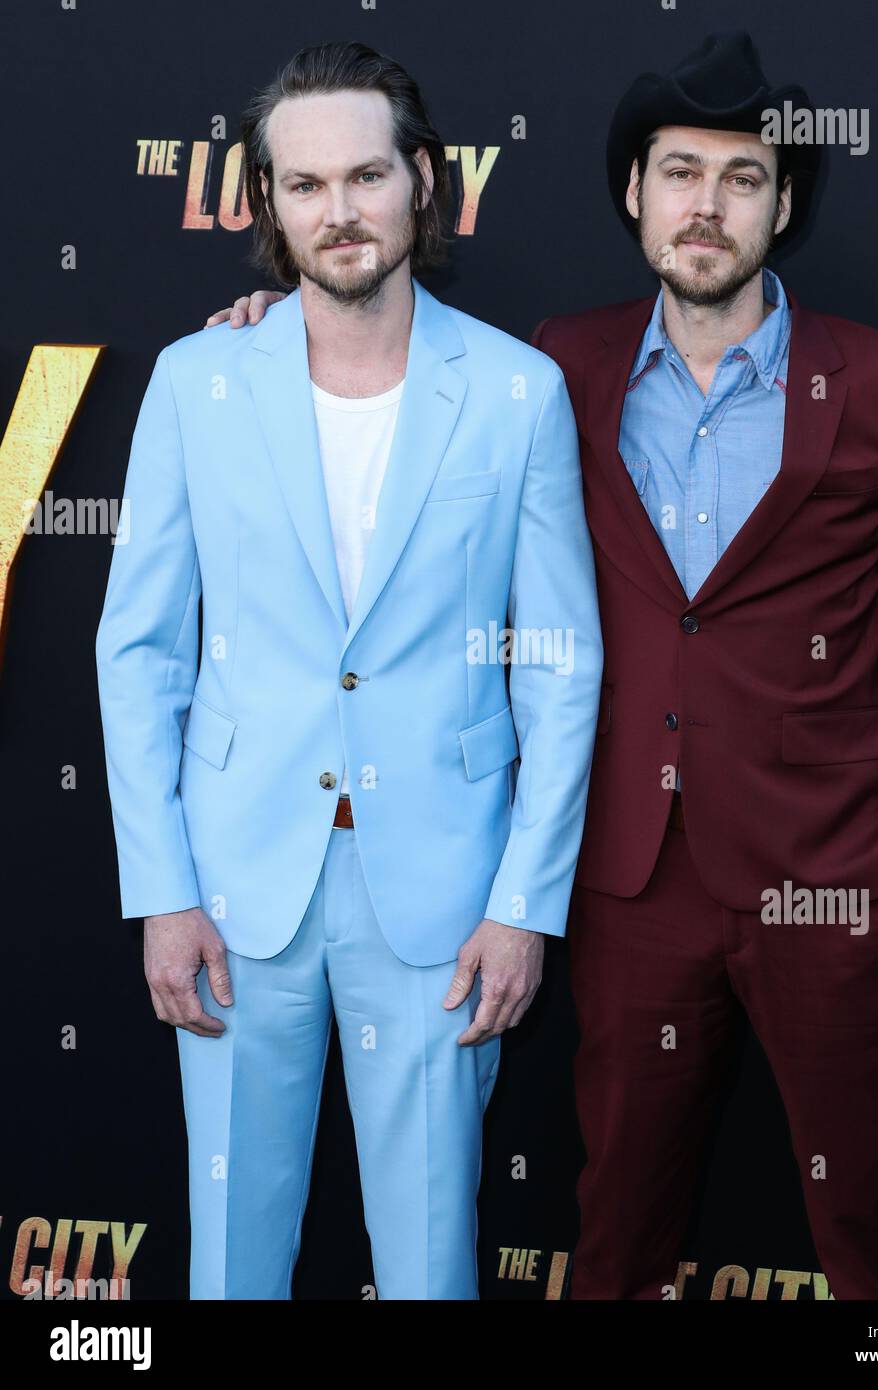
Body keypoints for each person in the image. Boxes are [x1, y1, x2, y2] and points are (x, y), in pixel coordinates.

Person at [207, 31, 878, 1301]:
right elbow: (377, 366)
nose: (706, 204)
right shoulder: (549, 373)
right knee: (616, 1230)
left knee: (874, 1234)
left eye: (741, 178)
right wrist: (263, 332)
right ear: (633, 193)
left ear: (781, 205)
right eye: (678, 172)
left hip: (834, 882)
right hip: (626, 886)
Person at [95, 40, 602, 1301]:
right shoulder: (195, 383)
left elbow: (559, 665)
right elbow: (139, 650)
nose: (339, 210)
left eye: (366, 176)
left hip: (442, 897)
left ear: (421, 181)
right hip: (232, 889)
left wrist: (523, 903)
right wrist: (162, 890)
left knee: (430, 1261)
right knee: (230, 1262)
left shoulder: (517, 393)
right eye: (305, 183)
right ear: (268, 203)